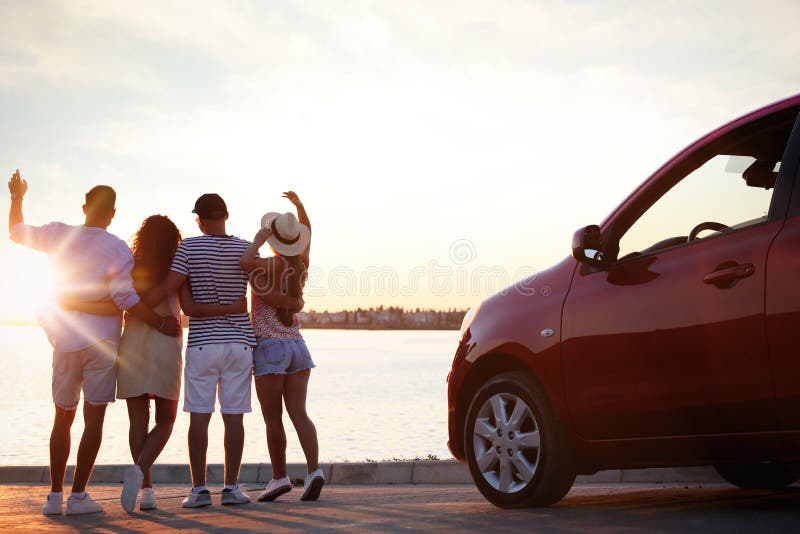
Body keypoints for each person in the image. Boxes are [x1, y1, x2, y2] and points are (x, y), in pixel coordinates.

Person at [7, 170, 181, 516]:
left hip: (65, 340)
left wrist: (17, 197)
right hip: (102, 343)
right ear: (113, 213)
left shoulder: (57, 234)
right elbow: (126, 298)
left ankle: (54, 497)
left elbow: (15, 233)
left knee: (63, 418)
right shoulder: (116, 248)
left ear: (84, 206)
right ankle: (78, 495)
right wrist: (161, 321)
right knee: (94, 421)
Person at [61, 215, 246, 512]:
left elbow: (118, 299)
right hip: (166, 340)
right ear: (173, 239)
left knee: (138, 420)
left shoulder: (130, 264)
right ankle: (139, 469)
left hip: (133, 341)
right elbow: (187, 304)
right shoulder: (179, 264)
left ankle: (146, 491)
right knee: (166, 420)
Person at [143, 193, 303, 508]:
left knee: (199, 418)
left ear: (199, 219)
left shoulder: (188, 248)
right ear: (226, 215)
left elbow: (168, 288)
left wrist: (136, 307)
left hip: (203, 343)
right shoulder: (244, 249)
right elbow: (281, 273)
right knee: (234, 417)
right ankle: (231, 488)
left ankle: (199, 490)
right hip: (240, 343)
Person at [240, 191, 324, 502]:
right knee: (300, 413)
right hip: (297, 346)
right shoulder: (301, 264)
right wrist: (301, 208)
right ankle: (315, 471)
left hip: (269, 347)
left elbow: (244, 261)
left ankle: (279, 478)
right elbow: (310, 235)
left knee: (273, 418)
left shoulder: (266, 267)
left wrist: (259, 238)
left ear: (275, 240)